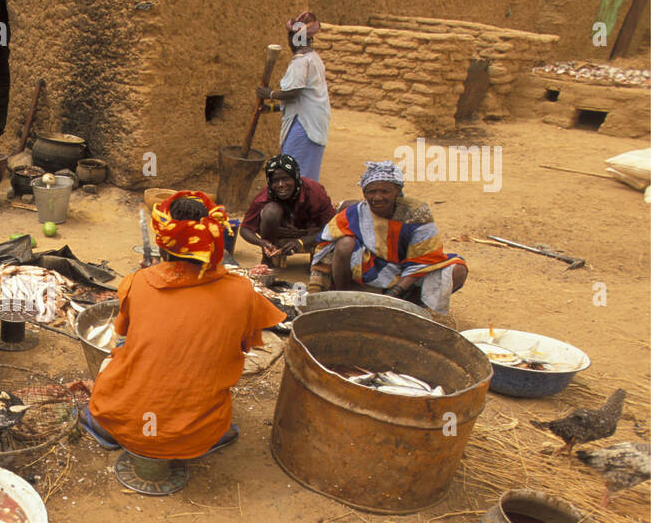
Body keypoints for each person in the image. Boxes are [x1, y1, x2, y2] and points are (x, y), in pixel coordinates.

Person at [84, 191, 286, 459]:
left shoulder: (136, 282)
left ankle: (112, 431)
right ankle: (204, 435)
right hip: (197, 435)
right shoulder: (243, 293)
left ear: (163, 243)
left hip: (129, 427)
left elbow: (127, 337)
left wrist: (153, 274)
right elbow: (240, 346)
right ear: (213, 242)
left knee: (111, 369)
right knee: (221, 418)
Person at [310, 161, 468, 313]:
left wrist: (394, 293)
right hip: (368, 272)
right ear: (364, 193)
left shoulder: (416, 214)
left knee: (458, 270)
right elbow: (325, 250)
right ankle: (344, 299)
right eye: (371, 192)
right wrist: (314, 291)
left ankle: (409, 307)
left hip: (409, 276)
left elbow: (423, 261)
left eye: (385, 191)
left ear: (397, 192)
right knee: (344, 244)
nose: (377, 197)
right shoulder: (354, 214)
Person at [256, 11, 330, 182]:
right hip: (312, 119)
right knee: (304, 166)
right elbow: (303, 99)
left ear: (293, 39)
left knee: (294, 166)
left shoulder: (301, 62)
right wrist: (273, 107)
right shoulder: (314, 58)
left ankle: (297, 201)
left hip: (305, 124)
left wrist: (270, 94)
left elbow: (294, 93)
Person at [239, 154, 334, 268]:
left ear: (295, 177)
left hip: (310, 231)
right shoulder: (264, 197)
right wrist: (262, 242)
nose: (281, 185)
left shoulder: (314, 192)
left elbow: (331, 227)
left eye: (286, 179)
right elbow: (245, 229)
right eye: (275, 180)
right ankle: (268, 259)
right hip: (280, 232)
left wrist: (301, 242)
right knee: (271, 212)